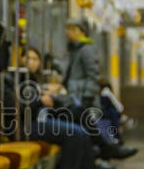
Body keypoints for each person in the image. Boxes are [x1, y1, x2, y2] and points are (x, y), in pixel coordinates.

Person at [3, 48, 119, 169]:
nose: (31, 62)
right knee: (76, 133)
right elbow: (14, 107)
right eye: (28, 58)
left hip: (37, 120)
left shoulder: (32, 79)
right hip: (22, 126)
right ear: (21, 59)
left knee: (80, 124)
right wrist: (40, 100)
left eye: (35, 59)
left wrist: (49, 96)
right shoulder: (12, 79)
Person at [58, 18, 138, 160]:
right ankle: (106, 152)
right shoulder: (73, 50)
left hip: (82, 97)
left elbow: (93, 75)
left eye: (72, 29)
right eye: (67, 29)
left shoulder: (86, 50)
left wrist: (88, 96)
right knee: (85, 132)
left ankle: (105, 151)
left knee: (87, 130)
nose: (68, 32)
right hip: (74, 96)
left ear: (81, 32)